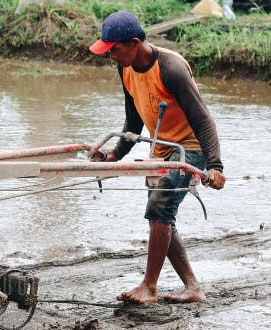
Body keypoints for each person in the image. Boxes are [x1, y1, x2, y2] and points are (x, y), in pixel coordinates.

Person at [88, 11, 226, 304]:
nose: (110, 55)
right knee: (161, 217)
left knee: (159, 211)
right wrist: (115, 153)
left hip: (190, 148)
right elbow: (133, 119)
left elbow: (204, 121)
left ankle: (149, 287)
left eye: (114, 49)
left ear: (134, 43)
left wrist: (215, 166)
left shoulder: (171, 68)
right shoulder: (125, 67)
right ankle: (192, 287)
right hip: (163, 148)